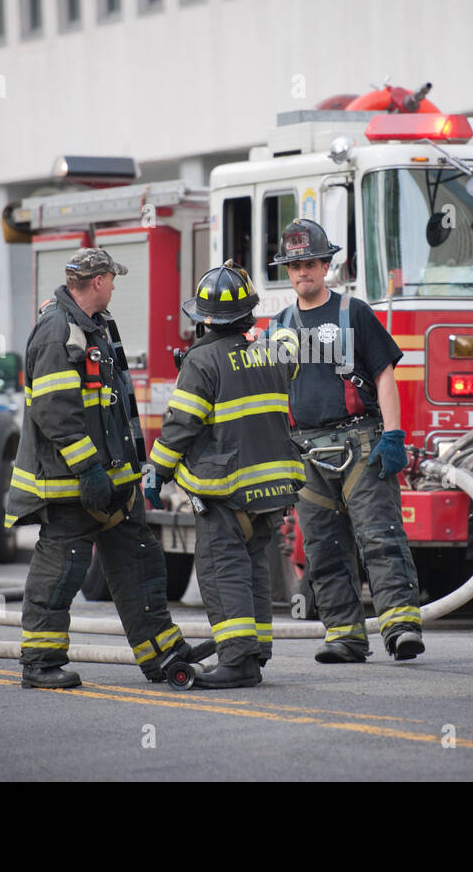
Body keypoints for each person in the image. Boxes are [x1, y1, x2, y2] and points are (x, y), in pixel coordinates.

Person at [7, 248, 189, 689]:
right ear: (98, 281)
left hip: (112, 483)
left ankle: (162, 653)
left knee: (139, 560)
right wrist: (88, 470)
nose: (115, 286)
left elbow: (113, 405)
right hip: (70, 483)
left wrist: (124, 474)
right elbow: (56, 412)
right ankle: (41, 661)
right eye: (112, 279)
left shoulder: (96, 327)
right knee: (63, 564)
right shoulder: (57, 332)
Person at [268, 219, 424, 663]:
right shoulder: (278, 325)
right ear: (288, 270)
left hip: (358, 441)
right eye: (295, 265)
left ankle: (400, 626)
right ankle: (345, 636)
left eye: (311, 263)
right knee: (323, 547)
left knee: (379, 536)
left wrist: (393, 435)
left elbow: (384, 374)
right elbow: (274, 391)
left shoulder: (354, 313)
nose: (303, 272)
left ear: (326, 265)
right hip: (305, 450)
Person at [146, 263, 304, 688]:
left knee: (221, 570)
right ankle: (255, 655)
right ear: (249, 313)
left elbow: (182, 425)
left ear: (202, 319)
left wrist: (156, 472)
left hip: (225, 492)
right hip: (271, 490)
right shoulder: (270, 352)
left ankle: (236, 660)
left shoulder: (201, 361)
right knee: (252, 569)